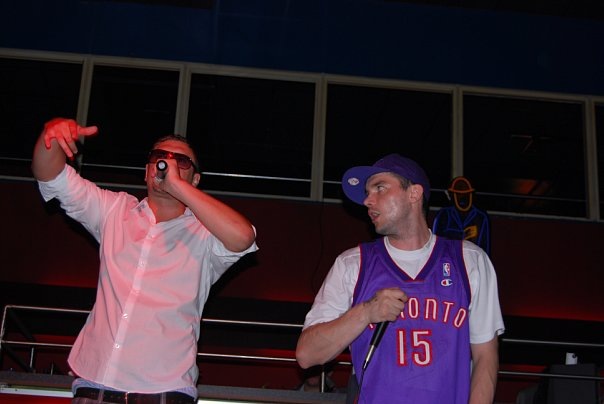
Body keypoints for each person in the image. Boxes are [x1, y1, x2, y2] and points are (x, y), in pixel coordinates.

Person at [32, 117, 258, 403]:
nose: (167, 164)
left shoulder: (206, 235)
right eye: (159, 156)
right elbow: (49, 175)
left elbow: (243, 237)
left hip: (164, 391)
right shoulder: (115, 210)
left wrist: (177, 187)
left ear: (195, 180)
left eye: (181, 162)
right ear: (147, 170)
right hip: (95, 384)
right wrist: (50, 134)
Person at [296, 154, 504, 404]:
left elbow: (485, 357)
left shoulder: (470, 260)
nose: (367, 200)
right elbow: (307, 355)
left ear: (414, 193)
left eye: (379, 188)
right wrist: (365, 312)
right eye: (367, 193)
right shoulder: (352, 264)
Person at [432, 176, 491, 256]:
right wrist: (462, 235)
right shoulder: (444, 214)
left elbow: (485, 247)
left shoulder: (481, 216)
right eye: (458, 194)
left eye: (466, 194)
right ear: (452, 195)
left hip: (472, 259)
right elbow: (437, 243)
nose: (462, 198)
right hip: (449, 259)